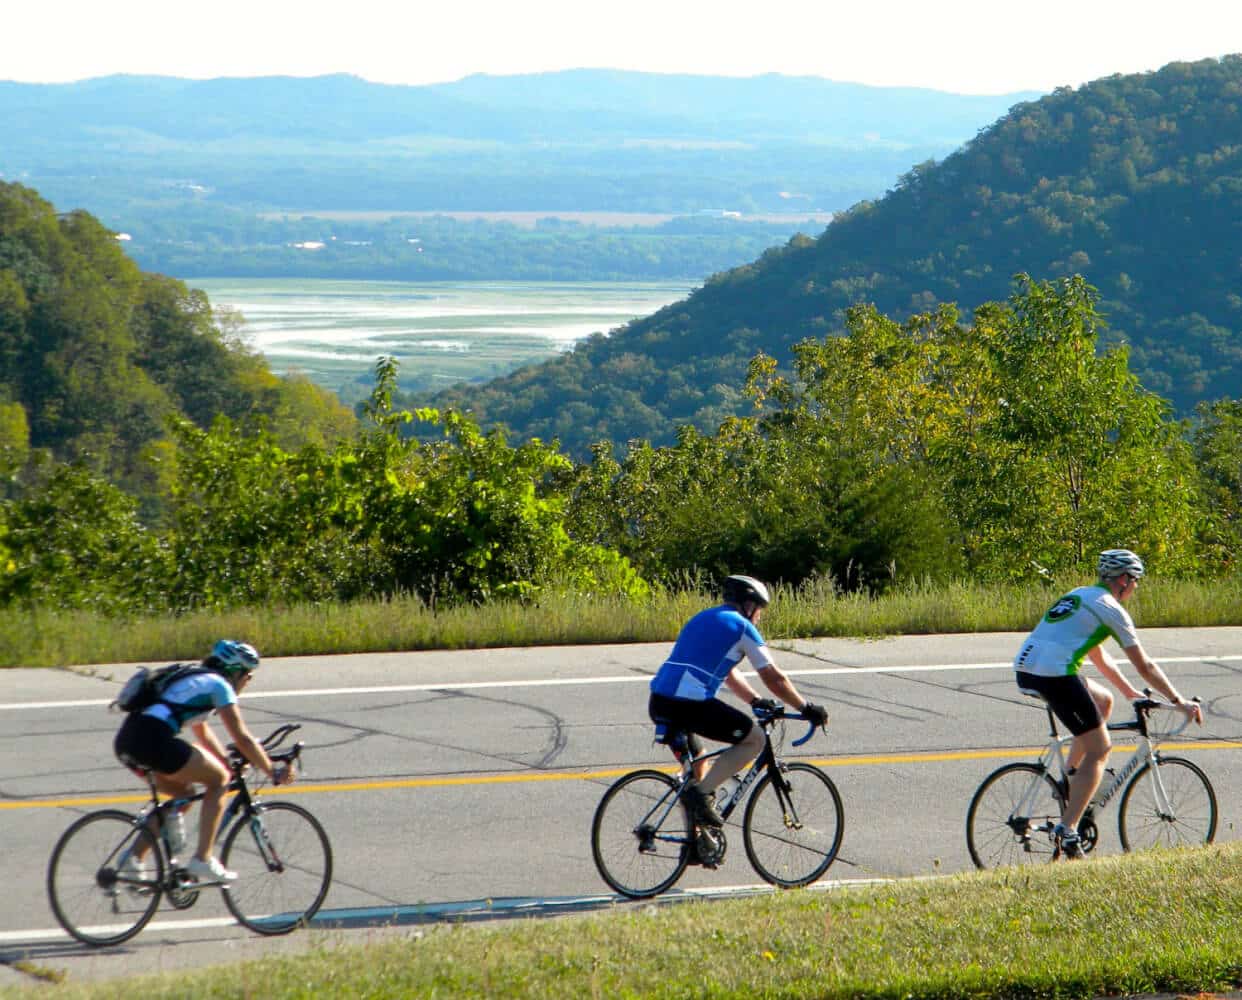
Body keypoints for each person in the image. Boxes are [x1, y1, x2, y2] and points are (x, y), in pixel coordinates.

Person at [1013, 549, 1202, 859]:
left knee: (1103, 701)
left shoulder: (1081, 595)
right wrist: (1179, 701)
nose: (1137, 587)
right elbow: (1146, 666)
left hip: (1027, 670)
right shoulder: (1111, 609)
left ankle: (1071, 779)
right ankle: (1068, 830)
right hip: (1054, 674)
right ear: (1124, 580)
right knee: (1101, 748)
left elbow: (1099, 658)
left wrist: (1130, 694)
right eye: (1136, 580)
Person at [648, 574, 828, 828]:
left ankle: (696, 842)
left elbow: (728, 673)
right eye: (759, 610)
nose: (759, 616)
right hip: (689, 704)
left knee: (699, 761)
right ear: (749, 605)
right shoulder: (742, 628)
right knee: (755, 739)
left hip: (659, 702)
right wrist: (806, 708)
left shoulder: (703, 618)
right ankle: (699, 797)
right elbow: (773, 677)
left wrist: (754, 699)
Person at [113, 639, 292, 882]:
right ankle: (202, 859)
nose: (248, 681)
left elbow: (203, 731)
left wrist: (224, 759)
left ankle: (132, 861)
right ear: (235, 671)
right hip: (152, 740)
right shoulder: (219, 686)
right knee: (218, 780)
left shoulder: (193, 678)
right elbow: (242, 738)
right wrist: (272, 771)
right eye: (248, 675)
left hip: (127, 742)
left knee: (184, 795)